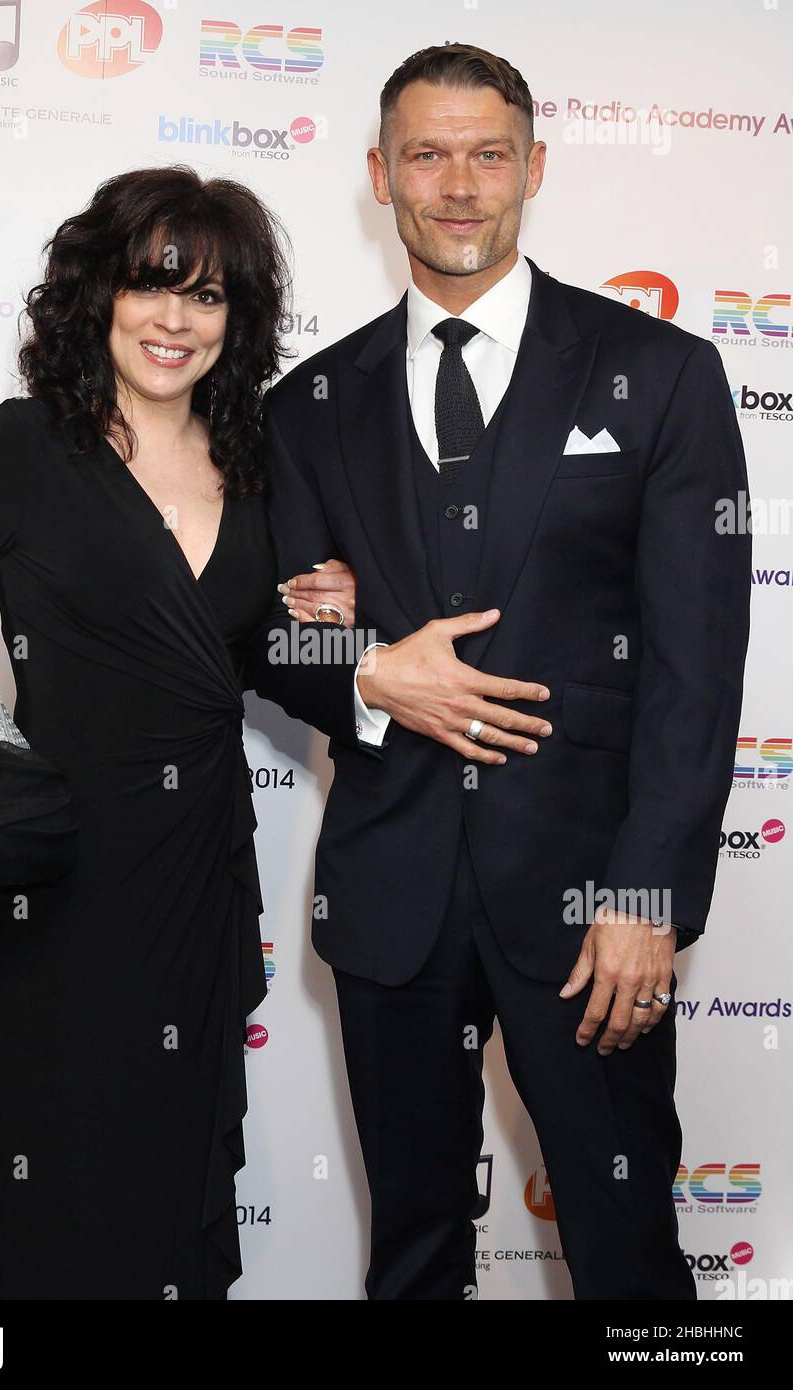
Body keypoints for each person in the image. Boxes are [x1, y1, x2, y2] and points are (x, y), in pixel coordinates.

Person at [244, 44, 751, 1299]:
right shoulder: (307, 402)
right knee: (413, 1252)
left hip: (591, 906)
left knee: (627, 1253)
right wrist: (367, 675)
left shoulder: (661, 374)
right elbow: (268, 634)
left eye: (485, 152)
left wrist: (646, 895)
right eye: (425, 153)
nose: (457, 184)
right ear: (377, 174)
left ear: (533, 166)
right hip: (389, 895)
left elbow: (696, 664)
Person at [0, 166, 356, 1300]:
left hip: (198, 874)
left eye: (209, 296)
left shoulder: (259, 468)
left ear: (240, 319)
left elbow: (261, 663)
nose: (176, 319)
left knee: (174, 1170)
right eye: (150, 284)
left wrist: (334, 620)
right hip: (61, 878)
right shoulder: (22, 446)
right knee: (60, 1172)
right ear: (99, 295)